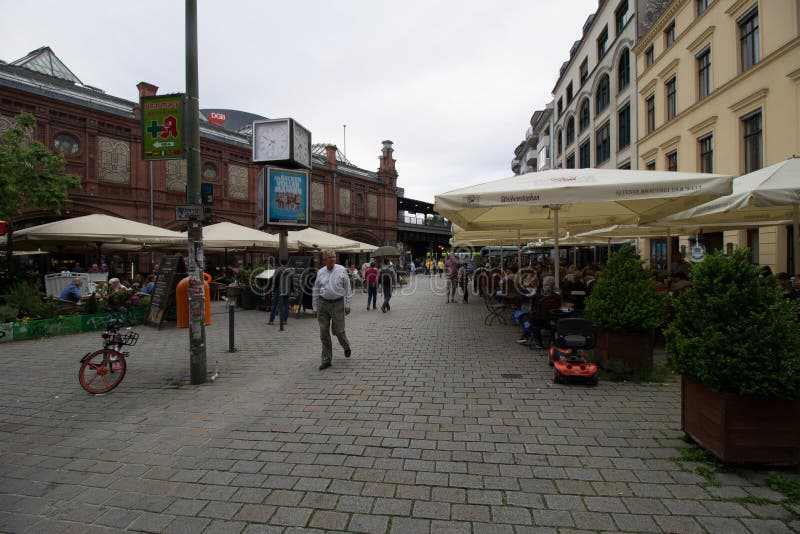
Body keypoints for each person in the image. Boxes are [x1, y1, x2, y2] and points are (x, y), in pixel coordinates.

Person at [312, 250, 352, 370]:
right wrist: (315, 307)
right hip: (323, 304)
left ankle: (346, 346)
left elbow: (347, 288)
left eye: (334, 257)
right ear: (325, 259)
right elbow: (316, 289)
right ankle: (326, 359)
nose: (332, 259)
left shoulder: (341, 270)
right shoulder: (321, 272)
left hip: (338, 303)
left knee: (338, 331)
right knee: (324, 332)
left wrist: (348, 304)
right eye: (330, 257)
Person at [268, 258, 294, 325]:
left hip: (279, 289)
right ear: (287, 262)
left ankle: (271, 320)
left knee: (274, 304)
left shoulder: (278, 270)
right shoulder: (290, 270)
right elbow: (292, 281)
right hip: (287, 289)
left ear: (280, 262)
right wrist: (292, 289)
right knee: (286, 305)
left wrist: (273, 289)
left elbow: (274, 279)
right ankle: (285, 320)